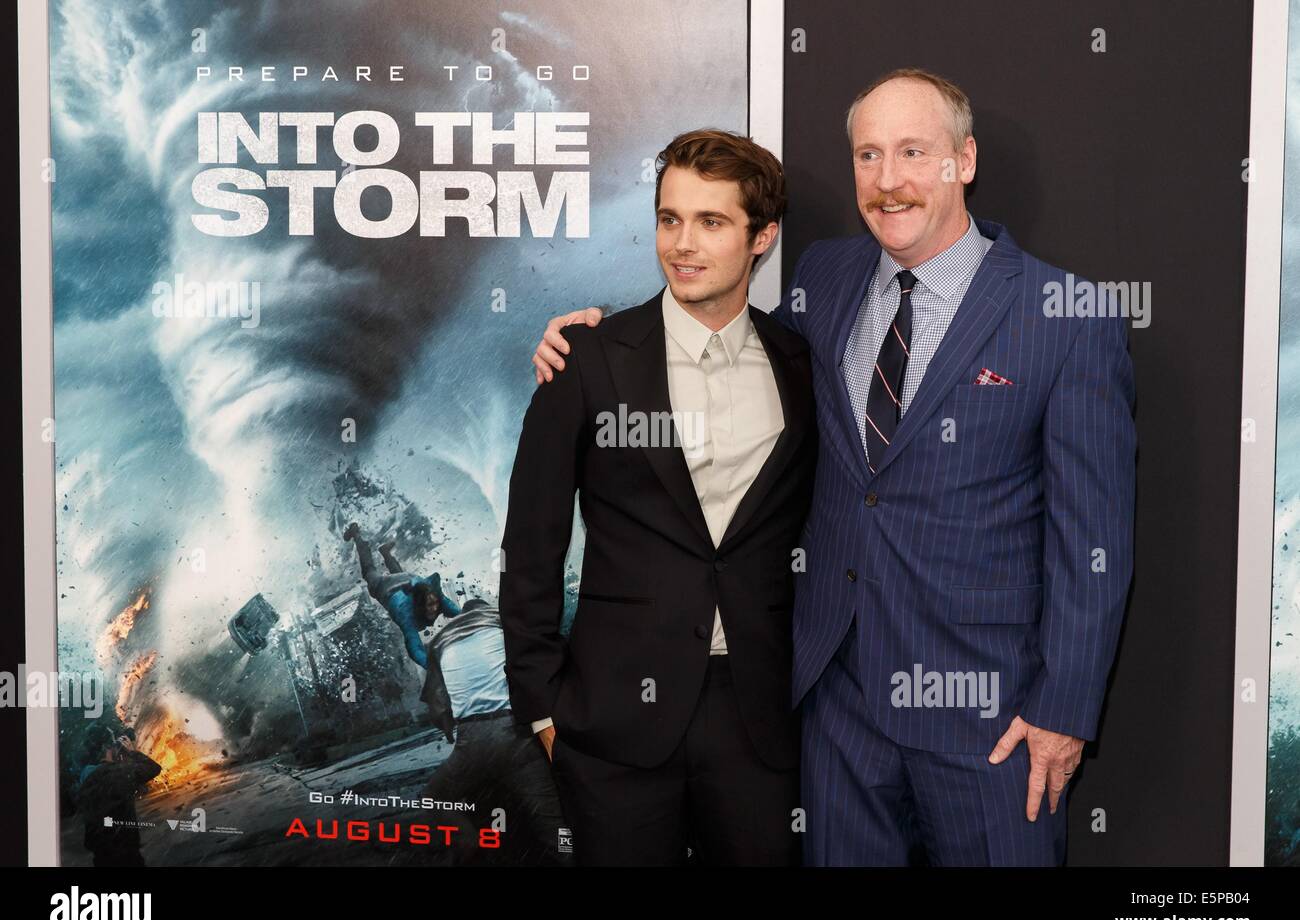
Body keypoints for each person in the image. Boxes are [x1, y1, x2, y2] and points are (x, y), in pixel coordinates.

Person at [530, 69, 1137, 866]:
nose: (888, 181)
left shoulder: (1065, 315)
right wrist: (596, 333)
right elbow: (720, 344)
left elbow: (1094, 538)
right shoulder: (827, 279)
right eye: (868, 155)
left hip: (991, 722)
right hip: (834, 709)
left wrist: (1064, 709)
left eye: (913, 152)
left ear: (965, 160)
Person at [500, 129, 815, 866]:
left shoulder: (798, 362)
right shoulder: (588, 360)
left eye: (711, 222)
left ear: (762, 236)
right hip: (612, 726)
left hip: (758, 720)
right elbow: (531, 545)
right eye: (670, 219)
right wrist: (544, 709)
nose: (682, 243)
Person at [346, 524, 569, 864]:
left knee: (434, 799)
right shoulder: (410, 617)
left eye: (441, 606)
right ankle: (361, 540)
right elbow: (415, 652)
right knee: (373, 577)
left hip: (473, 738)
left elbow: (438, 691)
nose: (441, 613)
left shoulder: (444, 612)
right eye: (434, 609)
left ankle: (466, 840)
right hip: (512, 736)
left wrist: (441, 658)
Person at [345, 523, 459, 742]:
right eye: (430, 607)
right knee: (370, 573)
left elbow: (459, 613)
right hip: (387, 589)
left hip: (408, 580)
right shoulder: (405, 612)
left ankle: (386, 552)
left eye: (435, 605)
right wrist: (434, 667)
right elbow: (414, 648)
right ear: (418, 607)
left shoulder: (432, 594)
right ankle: (358, 536)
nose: (435, 609)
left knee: (402, 574)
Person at [76, 726, 162, 867]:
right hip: (125, 854)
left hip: (101, 856)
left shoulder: (87, 779)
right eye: (115, 744)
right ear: (107, 747)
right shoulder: (120, 774)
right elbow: (153, 768)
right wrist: (132, 751)